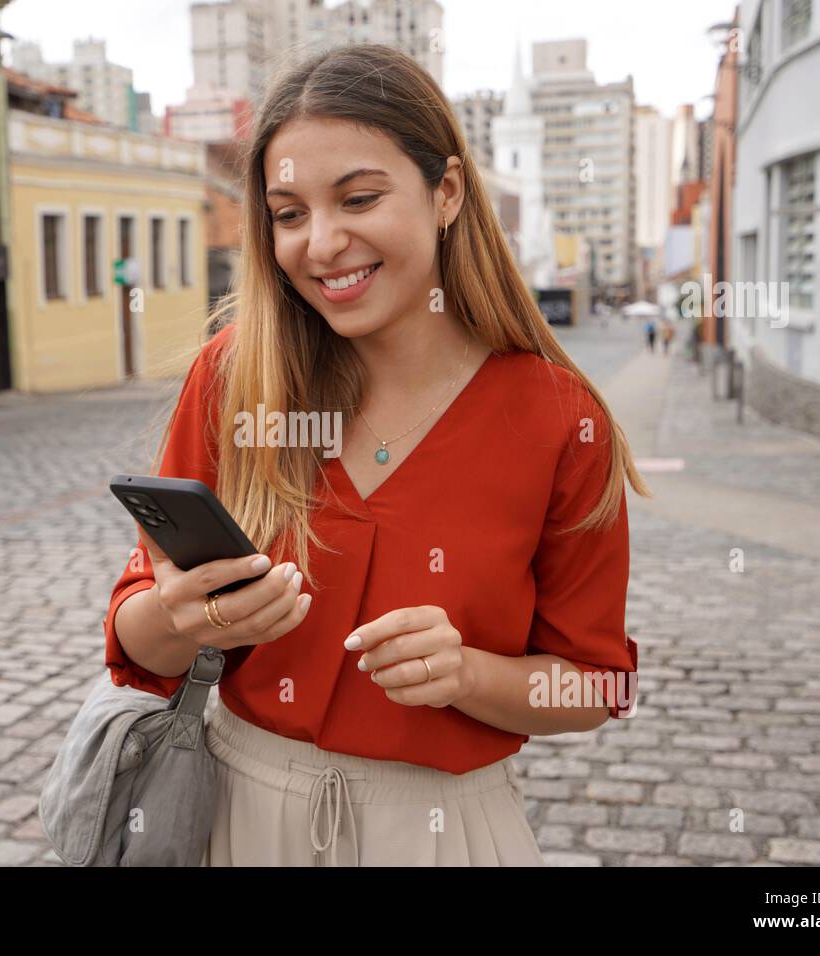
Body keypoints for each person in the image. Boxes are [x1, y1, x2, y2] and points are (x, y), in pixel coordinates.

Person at [103, 44, 645, 867]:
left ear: (447, 192)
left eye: (358, 198)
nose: (322, 243)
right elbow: (136, 642)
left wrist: (468, 674)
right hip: (238, 821)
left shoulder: (560, 421)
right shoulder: (234, 378)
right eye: (288, 214)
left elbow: (595, 687)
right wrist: (192, 618)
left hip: (446, 836)